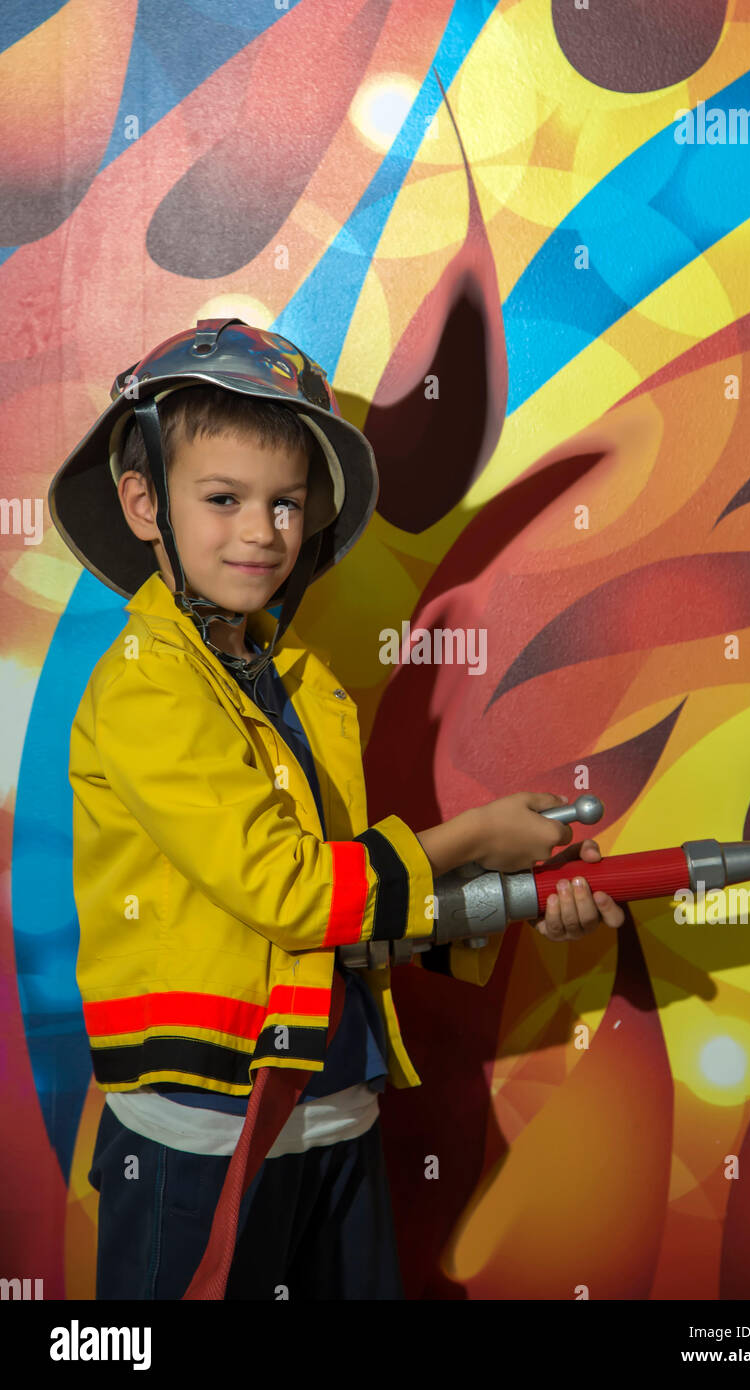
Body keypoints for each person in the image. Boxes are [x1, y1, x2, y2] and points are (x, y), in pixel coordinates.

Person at [48, 318, 624, 1301]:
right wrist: (475, 834)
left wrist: (514, 893)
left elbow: (352, 914)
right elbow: (290, 894)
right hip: (203, 1135)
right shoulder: (146, 684)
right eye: (223, 499)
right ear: (144, 504)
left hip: (334, 1106)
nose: (261, 532)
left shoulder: (302, 685)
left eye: (284, 502)